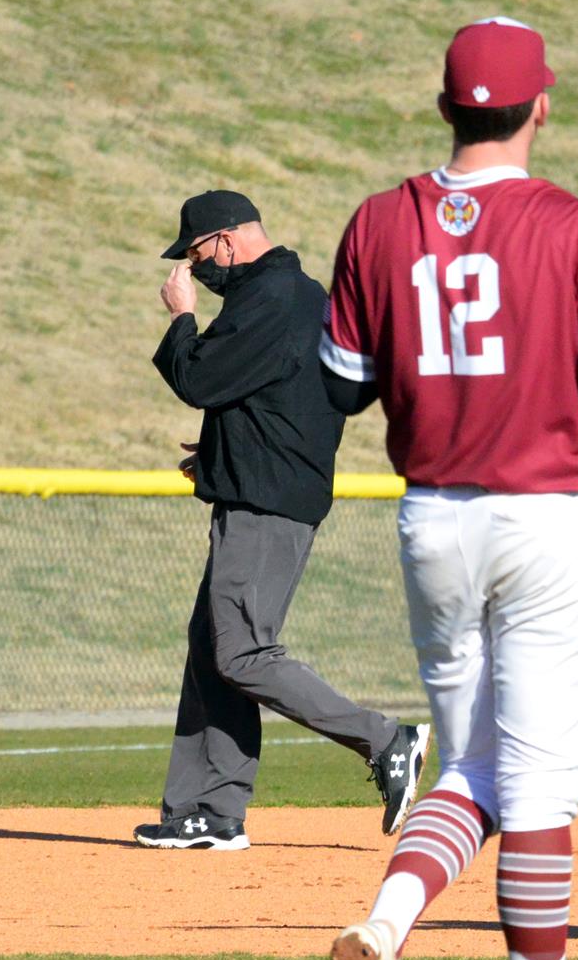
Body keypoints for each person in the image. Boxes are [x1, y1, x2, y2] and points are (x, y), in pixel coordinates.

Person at [317, 17, 578, 960]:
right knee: (542, 785)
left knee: (476, 763)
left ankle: (383, 928)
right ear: (540, 105)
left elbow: (341, 385)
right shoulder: (573, 224)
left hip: (434, 522)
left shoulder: (380, 221)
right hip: (547, 517)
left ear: (443, 107)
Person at [142, 190, 431, 851]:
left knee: (242, 651)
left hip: (267, 506)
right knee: (214, 647)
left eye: (196, 253)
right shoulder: (296, 297)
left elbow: (201, 380)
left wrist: (181, 319)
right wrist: (222, 447)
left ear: (227, 240)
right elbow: (290, 398)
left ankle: (387, 739)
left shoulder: (272, 299)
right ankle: (205, 814)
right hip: (263, 490)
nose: (196, 267)